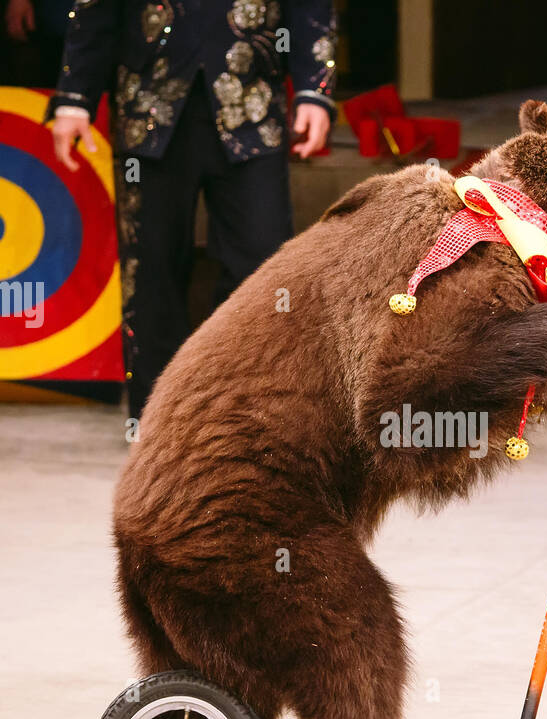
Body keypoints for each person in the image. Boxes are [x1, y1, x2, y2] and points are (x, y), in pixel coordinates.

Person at [46, 0, 337, 420]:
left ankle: (248, 413)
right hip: (150, 104)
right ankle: (158, 418)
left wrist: (314, 89)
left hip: (251, 107)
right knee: (151, 269)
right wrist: (76, 96)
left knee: (263, 264)